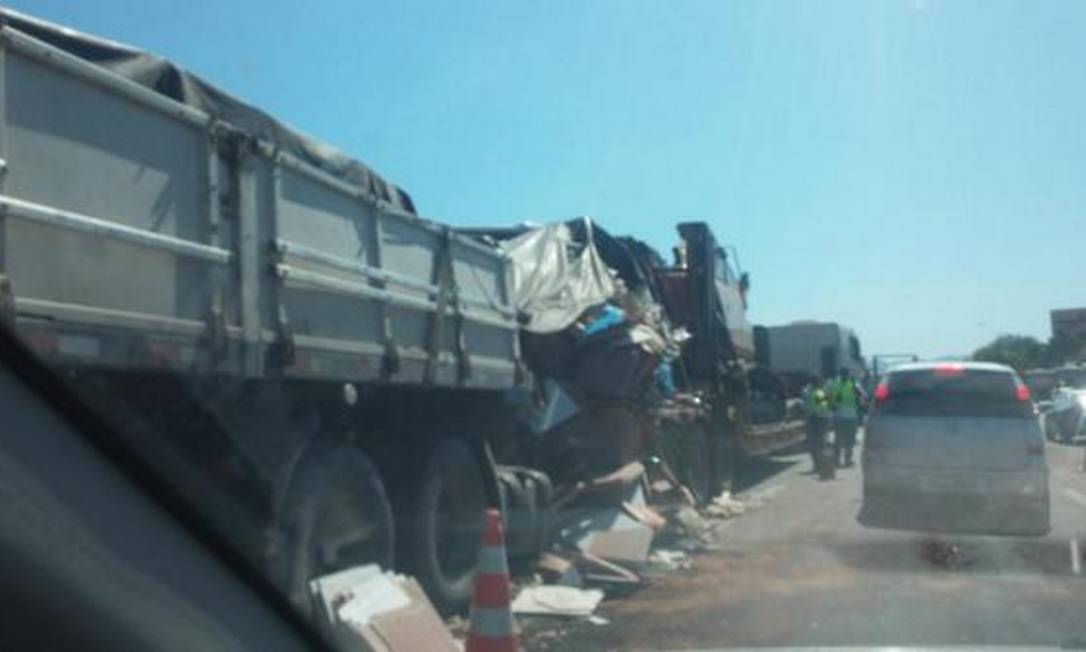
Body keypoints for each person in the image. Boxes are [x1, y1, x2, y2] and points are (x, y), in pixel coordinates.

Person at [830, 367, 867, 467]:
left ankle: (837, 461)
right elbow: (864, 397)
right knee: (849, 441)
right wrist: (861, 406)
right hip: (851, 416)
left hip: (840, 416)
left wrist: (832, 406)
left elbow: (828, 398)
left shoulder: (835, 384)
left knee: (839, 440)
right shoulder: (854, 384)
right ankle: (847, 460)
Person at [803, 377, 831, 473]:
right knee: (820, 444)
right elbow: (824, 405)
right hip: (819, 419)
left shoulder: (810, 391)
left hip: (815, 419)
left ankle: (818, 465)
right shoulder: (818, 392)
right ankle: (820, 465)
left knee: (814, 444)